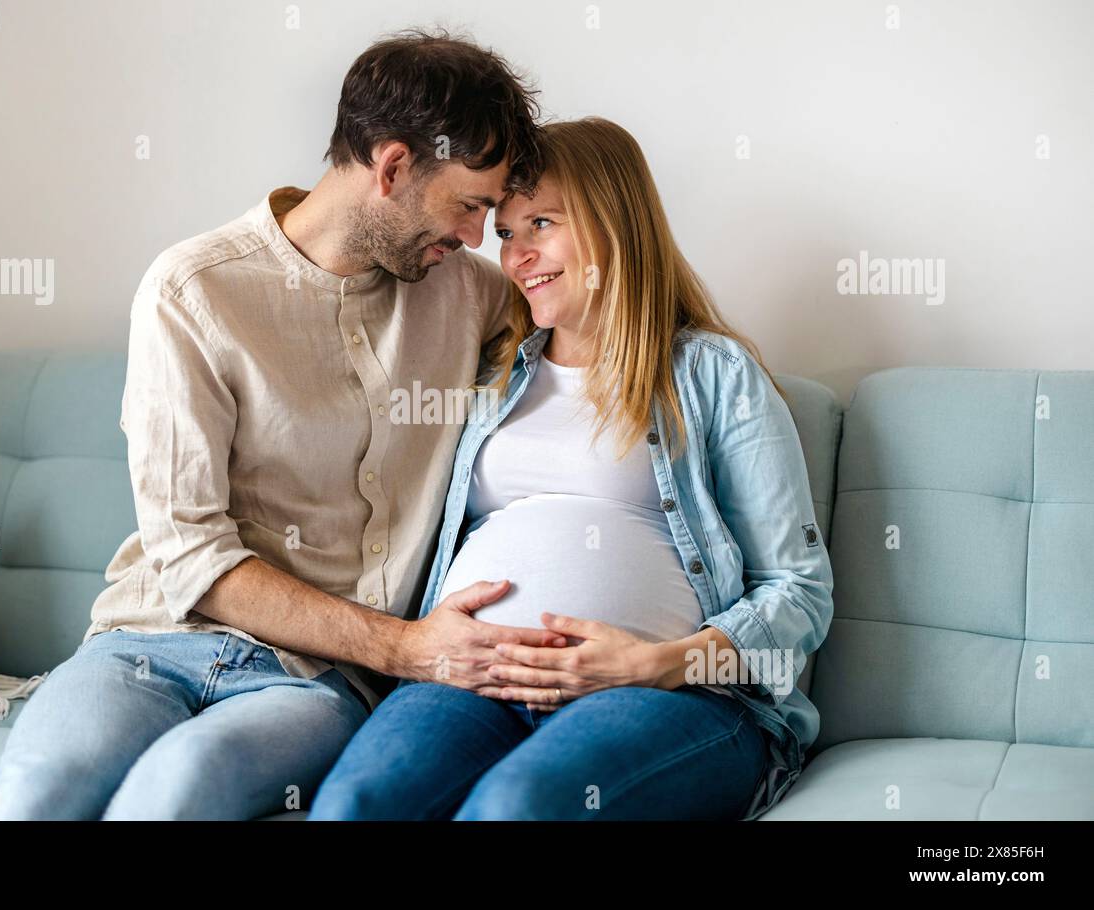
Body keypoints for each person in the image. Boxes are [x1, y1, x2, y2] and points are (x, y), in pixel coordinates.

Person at [0, 29, 561, 821]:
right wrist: (404, 647)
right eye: (469, 205)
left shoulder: (465, 290)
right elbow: (190, 555)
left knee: (180, 787)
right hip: (148, 642)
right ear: (391, 168)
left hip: (315, 681)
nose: (478, 236)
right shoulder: (195, 291)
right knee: (36, 794)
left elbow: (599, 306)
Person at [309, 117, 835, 821]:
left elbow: (799, 592)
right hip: (472, 681)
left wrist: (656, 663)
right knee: (353, 805)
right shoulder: (492, 376)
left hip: (664, 696)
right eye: (505, 233)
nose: (517, 256)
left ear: (615, 224)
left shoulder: (712, 374)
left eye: (542, 224)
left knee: (516, 806)